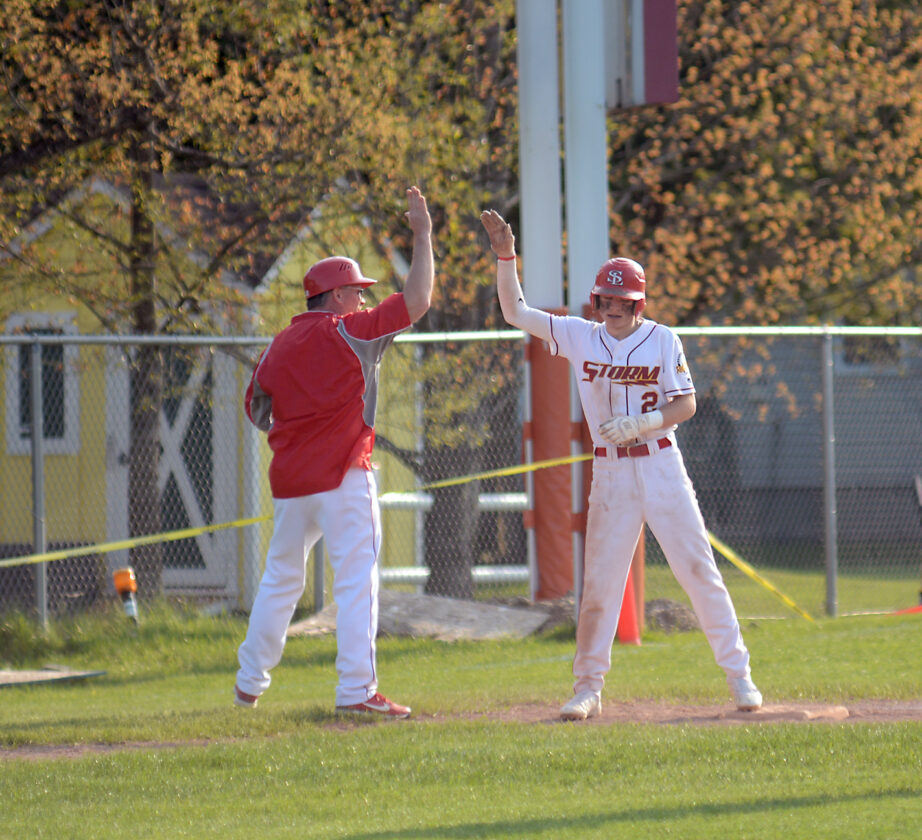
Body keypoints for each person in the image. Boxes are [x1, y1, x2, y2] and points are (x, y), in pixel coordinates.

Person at [480, 209, 762, 721]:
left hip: (659, 463)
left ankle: (740, 676)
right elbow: (516, 312)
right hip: (610, 473)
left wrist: (641, 423)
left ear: (638, 303)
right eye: (605, 299)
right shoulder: (582, 334)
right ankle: (588, 687)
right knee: (601, 584)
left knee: (698, 571)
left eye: (621, 300)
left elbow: (686, 404)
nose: (611, 307)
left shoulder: (661, 339)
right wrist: (506, 257)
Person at [234, 186, 434, 718]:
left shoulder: (278, 344)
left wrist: (298, 431)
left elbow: (256, 409)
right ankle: (356, 691)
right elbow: (416, 303)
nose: (365, 300)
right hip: (345, 476)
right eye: (358, 291)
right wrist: (422, 236)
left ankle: (249, 683)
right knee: (357, 582)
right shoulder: (351, 332)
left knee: (280, 581)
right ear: (336, 297)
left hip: (294, 485)